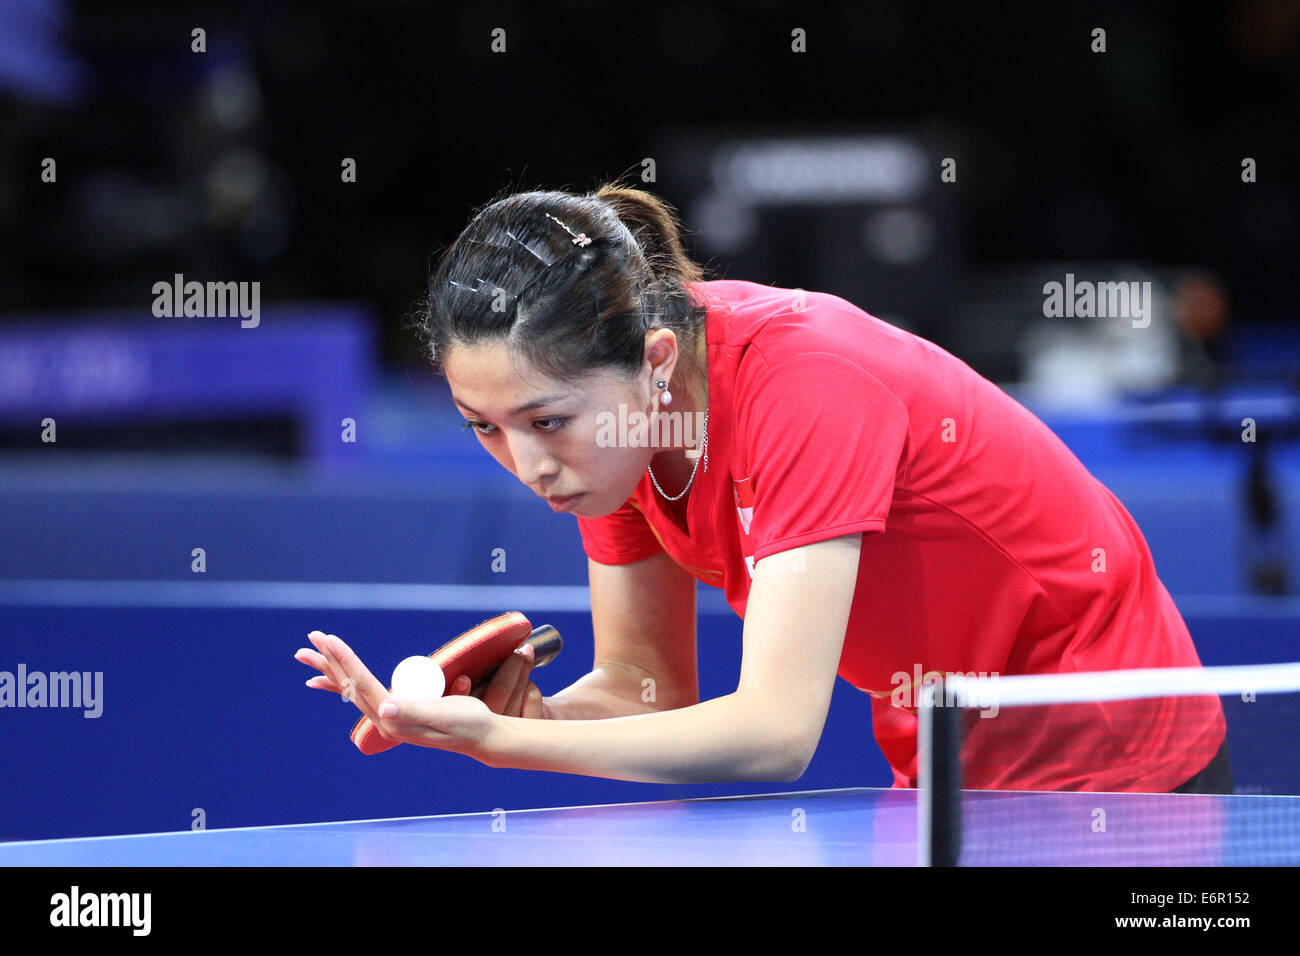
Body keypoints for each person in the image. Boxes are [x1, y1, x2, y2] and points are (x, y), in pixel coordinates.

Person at [297, 178, 1229, 793]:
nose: (529, 464)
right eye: (484, 429)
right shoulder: (614, 445)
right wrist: (528, 716)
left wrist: (501, 744)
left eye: (547, 421)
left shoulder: (804, 386)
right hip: (944, 762)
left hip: (1111, 751)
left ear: (654, 362)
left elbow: (774, 734)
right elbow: (641, 688)